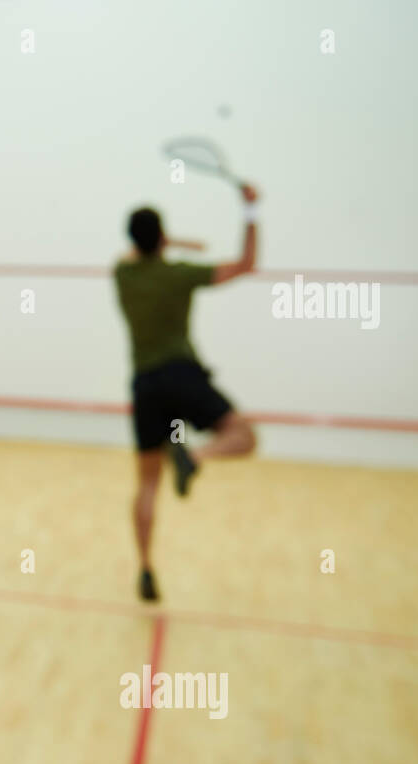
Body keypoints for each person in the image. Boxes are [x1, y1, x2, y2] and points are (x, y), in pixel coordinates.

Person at [111, 183, 261, 602]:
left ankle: (144, 568)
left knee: (147, 484)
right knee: (244, 437)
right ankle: (193, 455)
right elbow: (247, 263)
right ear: (160, 238)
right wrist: (250, 210)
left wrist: (158, 242)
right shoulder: (180, 275)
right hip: (182, 376)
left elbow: (131, 253)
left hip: (144, 388)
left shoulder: (122, 275)